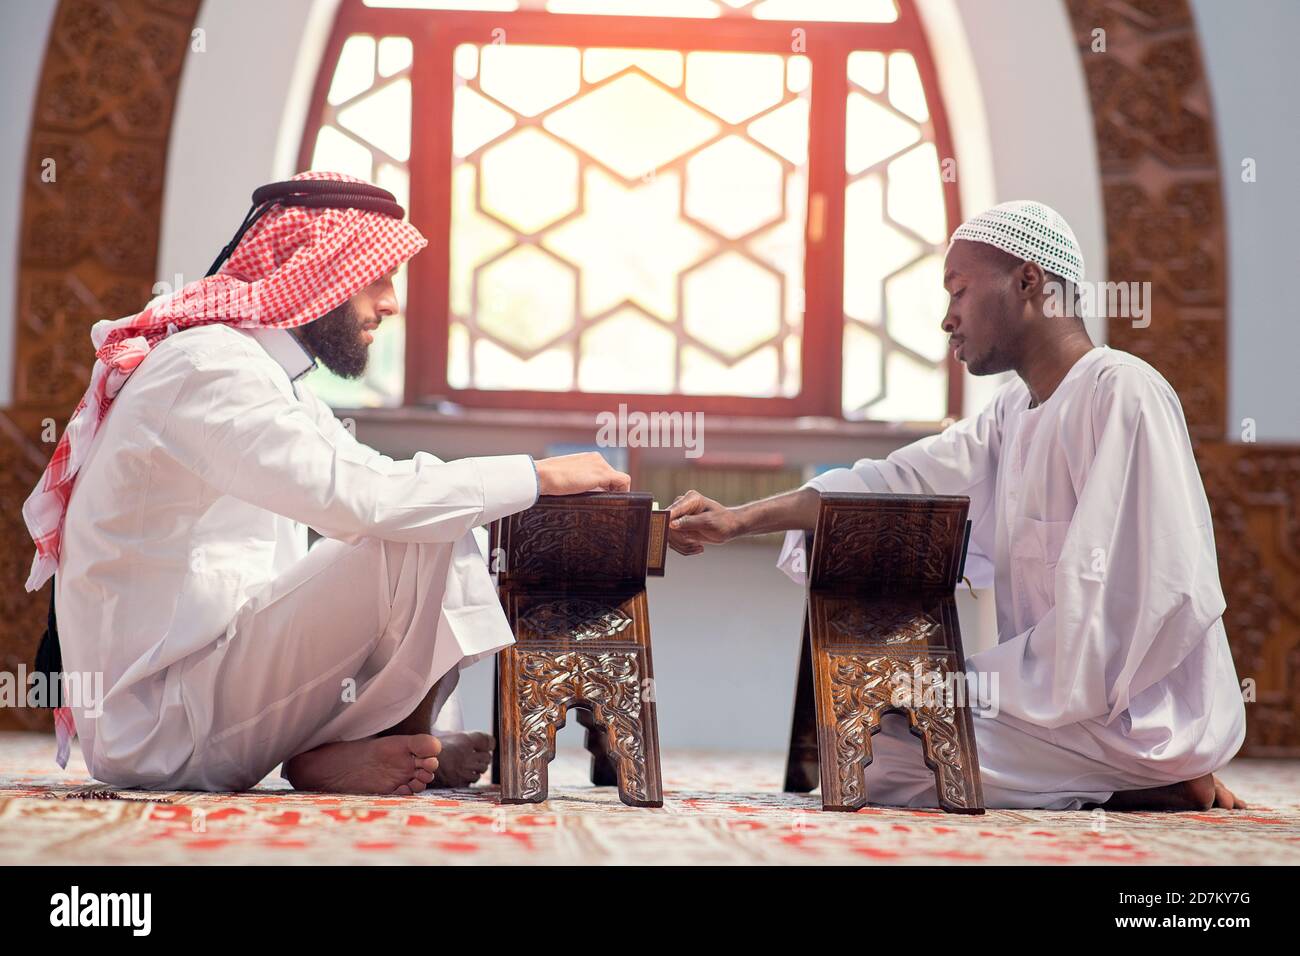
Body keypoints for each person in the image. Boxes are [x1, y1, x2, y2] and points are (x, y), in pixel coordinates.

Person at [23, 171, 628, 795]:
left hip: (206, 688)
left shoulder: (257, 373)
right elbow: (370, 501)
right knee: (418, 530)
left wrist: (520, 482)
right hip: (162, 725)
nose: (390, 303)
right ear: (317, 272)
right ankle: (366, 740)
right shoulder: (208, 369)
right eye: (375, 277)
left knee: (427, 516)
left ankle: (340, 746)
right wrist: (536, 475)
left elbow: (377, 484)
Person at [668, 200, 1247, 811]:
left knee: (889, 754)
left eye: (959, 291)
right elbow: (889, 483)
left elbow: (1148, 598)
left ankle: (1152, 773)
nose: (948, 320)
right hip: (1049, 703)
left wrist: (991, 682)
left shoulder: (1120, 390)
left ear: (1027, 281)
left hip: (1139, 710)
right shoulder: (1010, 416)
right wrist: (738, 521)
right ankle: (1125, 781)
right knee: (875, 741)